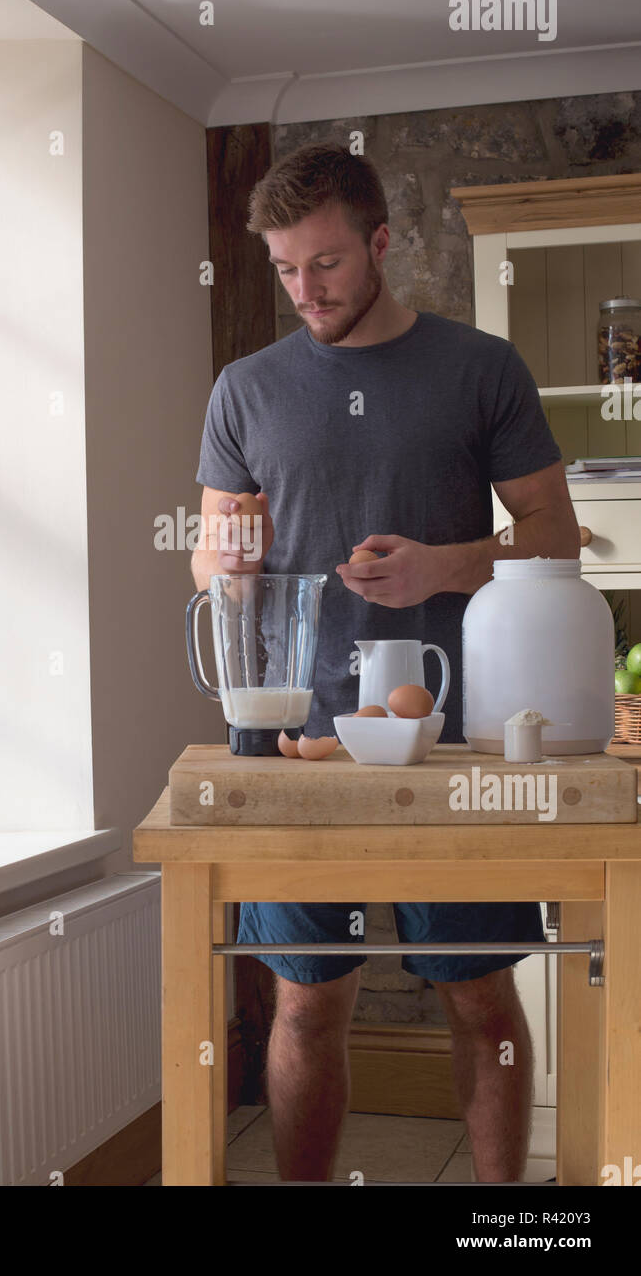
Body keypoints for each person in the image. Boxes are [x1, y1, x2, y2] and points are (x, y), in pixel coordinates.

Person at [191, 142, 580, 1184]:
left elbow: (553, 532)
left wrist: (444, 565)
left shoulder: (478, 367)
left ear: (378, 242)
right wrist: (227, 564)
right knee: (306, 998)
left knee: (476, 993)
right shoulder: (244, 388)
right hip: (288, 738)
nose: (302, 290)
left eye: (322, 264)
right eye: (282, 268)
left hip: (450, 741)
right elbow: (211, 548)